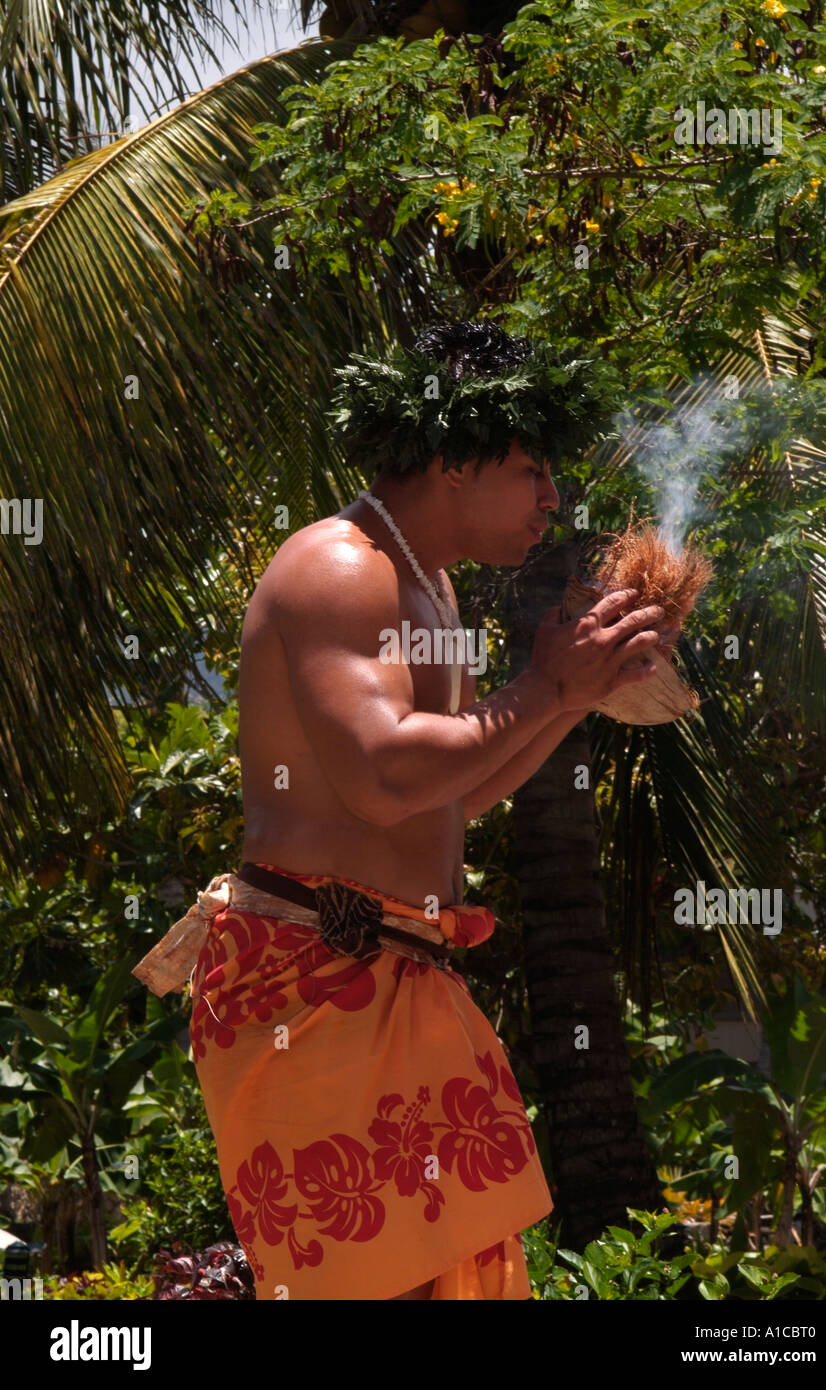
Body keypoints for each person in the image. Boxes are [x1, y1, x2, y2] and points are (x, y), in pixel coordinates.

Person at [133, 320, 666, 1300]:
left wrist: (573, 694)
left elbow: (451, 789)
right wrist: (541, 690)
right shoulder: (340, 568)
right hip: (308, 972)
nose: (551, 495)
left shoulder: (432, 589)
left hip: (395, 971)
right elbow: (382, 770)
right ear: (452, 460)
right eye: (529, 466)